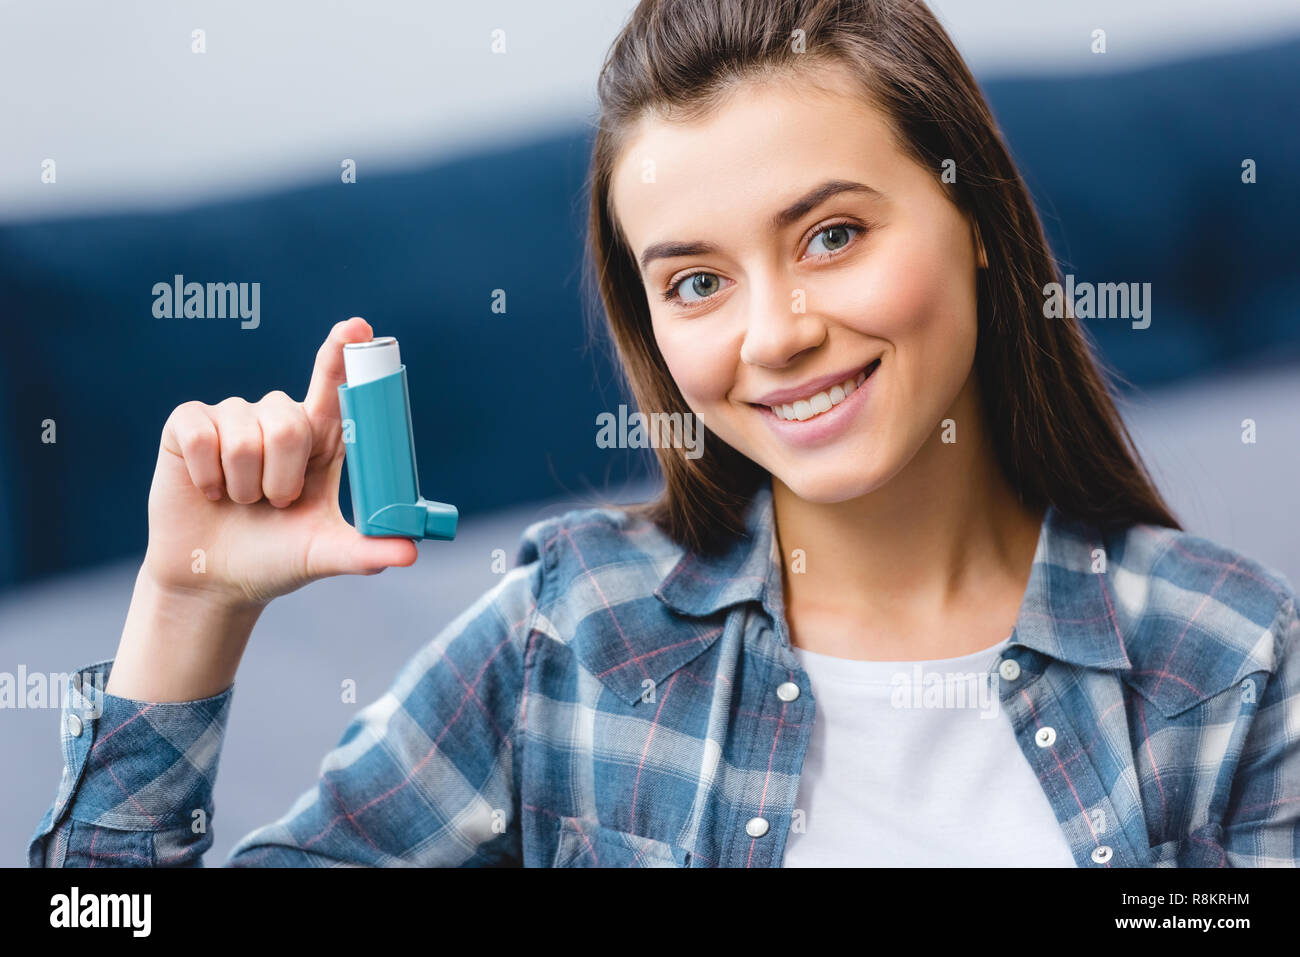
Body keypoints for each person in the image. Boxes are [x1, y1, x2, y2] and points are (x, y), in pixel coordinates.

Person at [30, 0, 1299, 868]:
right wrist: (186, 609)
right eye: (696, 282)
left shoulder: (1227, 662)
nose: (776, 334)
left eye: (832, 235)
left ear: (972, 217)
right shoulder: (568, 640)